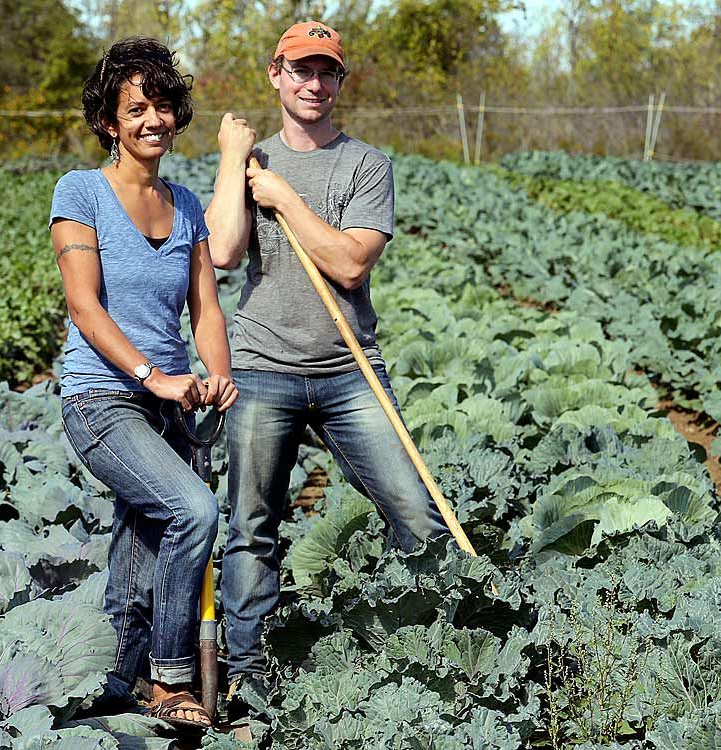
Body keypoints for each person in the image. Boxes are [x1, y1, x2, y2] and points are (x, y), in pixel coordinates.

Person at [204, 21, 449, 699]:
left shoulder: (366, 164)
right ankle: (249, 673)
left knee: (417, 515)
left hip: (349, 368)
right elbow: (223, 253)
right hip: (260, 366)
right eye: (300, 70)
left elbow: (347, 263)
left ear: (341, 82)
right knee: (252, 525)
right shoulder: (250, 164)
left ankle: (419, 654)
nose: (314, 84)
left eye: (327, 73)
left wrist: (286, 200)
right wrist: (232, 160)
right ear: (275, 74)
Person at [50, 37, 237, 732]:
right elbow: (84, 307)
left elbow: (206, 308)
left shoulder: (185, 203)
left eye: (162, 105)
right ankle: (169, 678)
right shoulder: (80, 192)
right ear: (109, 121)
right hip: (102, 398)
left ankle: (114, 679)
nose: (152, 119)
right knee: (191, 511)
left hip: (172, 403)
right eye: (136, 108)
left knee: (146, 538)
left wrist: (217, 375)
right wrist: (152, 376)